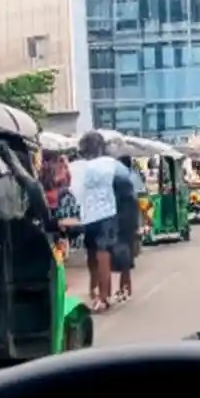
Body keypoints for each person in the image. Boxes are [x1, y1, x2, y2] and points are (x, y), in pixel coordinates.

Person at [72, 132, 132, 313]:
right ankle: (104, 296)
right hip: (106, 214)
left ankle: (93, 290)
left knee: (91, 255)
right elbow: (127, 179)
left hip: (84, 216)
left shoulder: (75, 167)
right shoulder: (111, 164)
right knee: (103, 253)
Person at [111, 155, 141, 302]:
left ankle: (125, 288)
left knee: (124, 257)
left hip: (122, 223)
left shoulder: (122, 182)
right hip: (128, 223)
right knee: (126, 258)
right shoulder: (131, 179)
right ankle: (125, 288)